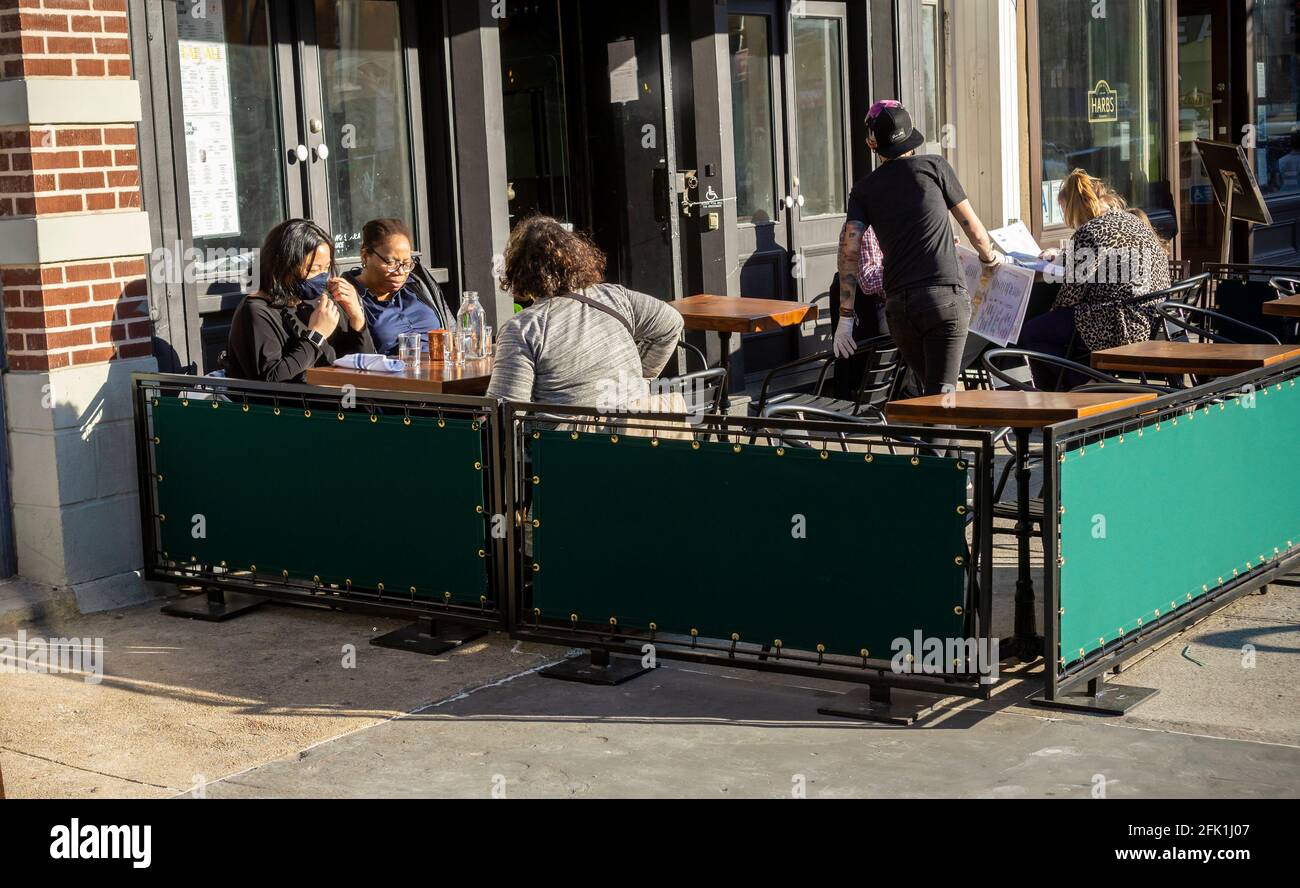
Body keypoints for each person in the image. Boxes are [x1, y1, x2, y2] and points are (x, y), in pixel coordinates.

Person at [835, 100, 1002, 397]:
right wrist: (990, 258)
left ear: (871, 143)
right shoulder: (934, 166)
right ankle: (937, 443)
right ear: (911, 134)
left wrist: (845, 319)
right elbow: (974, 229)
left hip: (899, 310)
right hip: (945, 301)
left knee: (935, 399)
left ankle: (947, 443)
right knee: (943, 402)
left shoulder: (863, 190)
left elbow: (850, 252)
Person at [487, 215, 684, 408]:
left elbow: (505, 411)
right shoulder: (614, 297)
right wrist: (636, 380)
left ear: (518, 271)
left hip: (568, 439)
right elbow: (672, 323)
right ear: (577, 258)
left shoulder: (523, 328)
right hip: (638, 431)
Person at [1020, 169, 1171, 387]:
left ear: (1073, 207)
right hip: (1152, 319)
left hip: (1118, 323)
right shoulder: (1132, 220)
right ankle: (1076, 389)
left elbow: (1069, 295)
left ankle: (1085, 386)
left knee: (1033, 333)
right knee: (1053, 330)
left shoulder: (1090, 231)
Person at [224, 219, 374, 382]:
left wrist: (357, 319)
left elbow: (366, 365)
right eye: (315, 269)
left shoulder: (322, 301)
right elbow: (271, 379)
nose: (323, 276)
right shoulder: (257, 311)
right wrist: (316, 336)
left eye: (326, 268)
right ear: (284, 266)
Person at [344, 218, 454, 356]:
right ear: (365, 256)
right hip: (390, 375)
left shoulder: (419, 284)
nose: (401, 272)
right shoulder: (348, 298)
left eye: (406, 263)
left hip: (443, 373)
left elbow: (453, 331)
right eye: (391, 263)